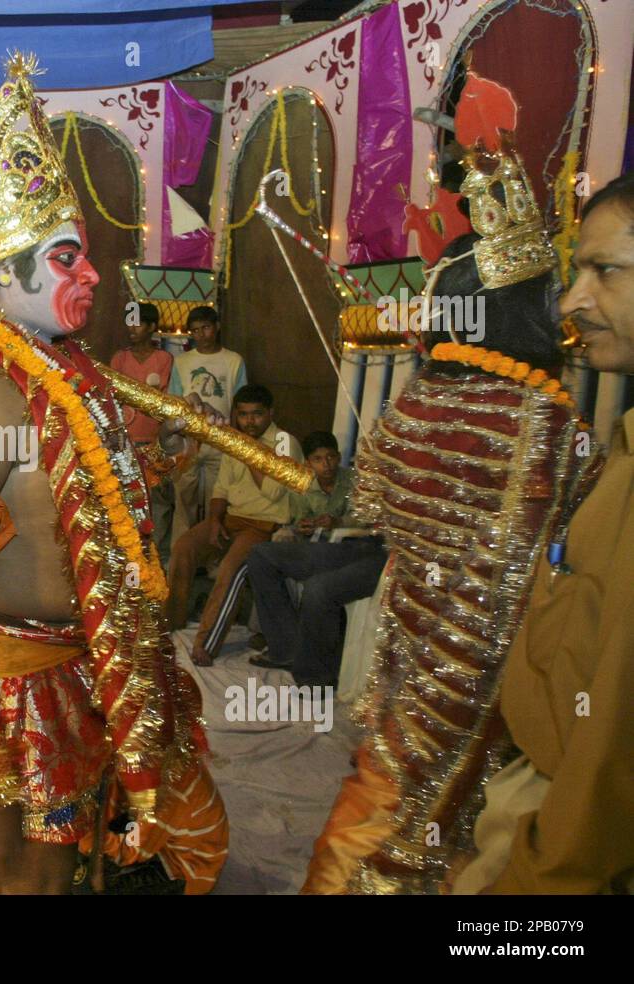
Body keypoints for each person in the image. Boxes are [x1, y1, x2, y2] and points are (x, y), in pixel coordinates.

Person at [0, 53, 228, 894]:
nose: (91, 275)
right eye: (64, 258)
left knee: (79, 864)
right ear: (0, 273)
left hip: (96, 662)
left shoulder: (68, 372)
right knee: (15, 879)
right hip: (20, 690)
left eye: (85, 257)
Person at [303, 75, 593, 893]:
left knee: (408, 819)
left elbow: (374, 500)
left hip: (411, 642)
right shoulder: (550, 431)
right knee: (440, 839)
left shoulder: (418, 406)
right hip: (495, 686)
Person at [451, 171, 634, 895]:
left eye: (607, 272)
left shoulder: (557, 422)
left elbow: (612, 744)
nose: (573, 302)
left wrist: (530, 885)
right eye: (573, 272)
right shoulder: (612, 441)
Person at [164, 383, 302, 665]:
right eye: (243, 415)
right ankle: (171, 619)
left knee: (230, 569)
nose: (249, 421)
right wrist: (214, 521)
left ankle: (205, 644)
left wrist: (249, 452)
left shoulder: (285, 442)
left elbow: (274, 492)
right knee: (183, 547)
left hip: (265, 525)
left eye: (257, 415)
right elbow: (221, 490)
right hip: (231, 518)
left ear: (270, 413)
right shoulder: (234, 439)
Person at [245, 431, 387, 685]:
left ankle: (315, 676)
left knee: (318, 588)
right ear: (309, 462)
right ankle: (286, 648)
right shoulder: (303, 483)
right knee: (260, 554)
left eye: (331, 457)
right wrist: (303, 527)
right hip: (326, 547)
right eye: (319, 459)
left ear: (339, 457)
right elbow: (297, 520)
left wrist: (339, 522)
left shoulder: (356, 481)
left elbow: (370, 519)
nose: (327, 464)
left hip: (362, 547)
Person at [166, 305, 247, 544]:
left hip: (220, 439)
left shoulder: (233, 361)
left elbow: (239, 403)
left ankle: (213, 559)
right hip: (188, 440)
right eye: (195, 331)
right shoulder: (182, 362)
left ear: (217, 327)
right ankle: (182, 554)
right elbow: (175, 400)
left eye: (206, 328)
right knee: (184, 500)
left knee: (218, 501)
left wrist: (233, 439)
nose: (201, 335)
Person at [109, 303, 174, 552]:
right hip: (124, 442)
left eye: (137, 322)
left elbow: (166, 398)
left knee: (157, 502)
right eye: (129, 321)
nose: (132, 328)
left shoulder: (163, 359)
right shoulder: (120, 358)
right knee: (125, 500)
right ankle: (128, 553)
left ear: (152, 327)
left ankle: (157, 556)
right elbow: (111, 400)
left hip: (154, 442)